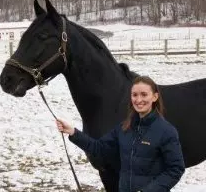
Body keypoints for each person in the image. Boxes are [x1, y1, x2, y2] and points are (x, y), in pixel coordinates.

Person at [56, 76, 185, 192]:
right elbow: (99, 148)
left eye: (144, 94)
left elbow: (175, 169)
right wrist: (73, 132)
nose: (138, 99)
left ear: (155, 97)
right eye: (134, 95)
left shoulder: (166, 131)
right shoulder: (124, 128)